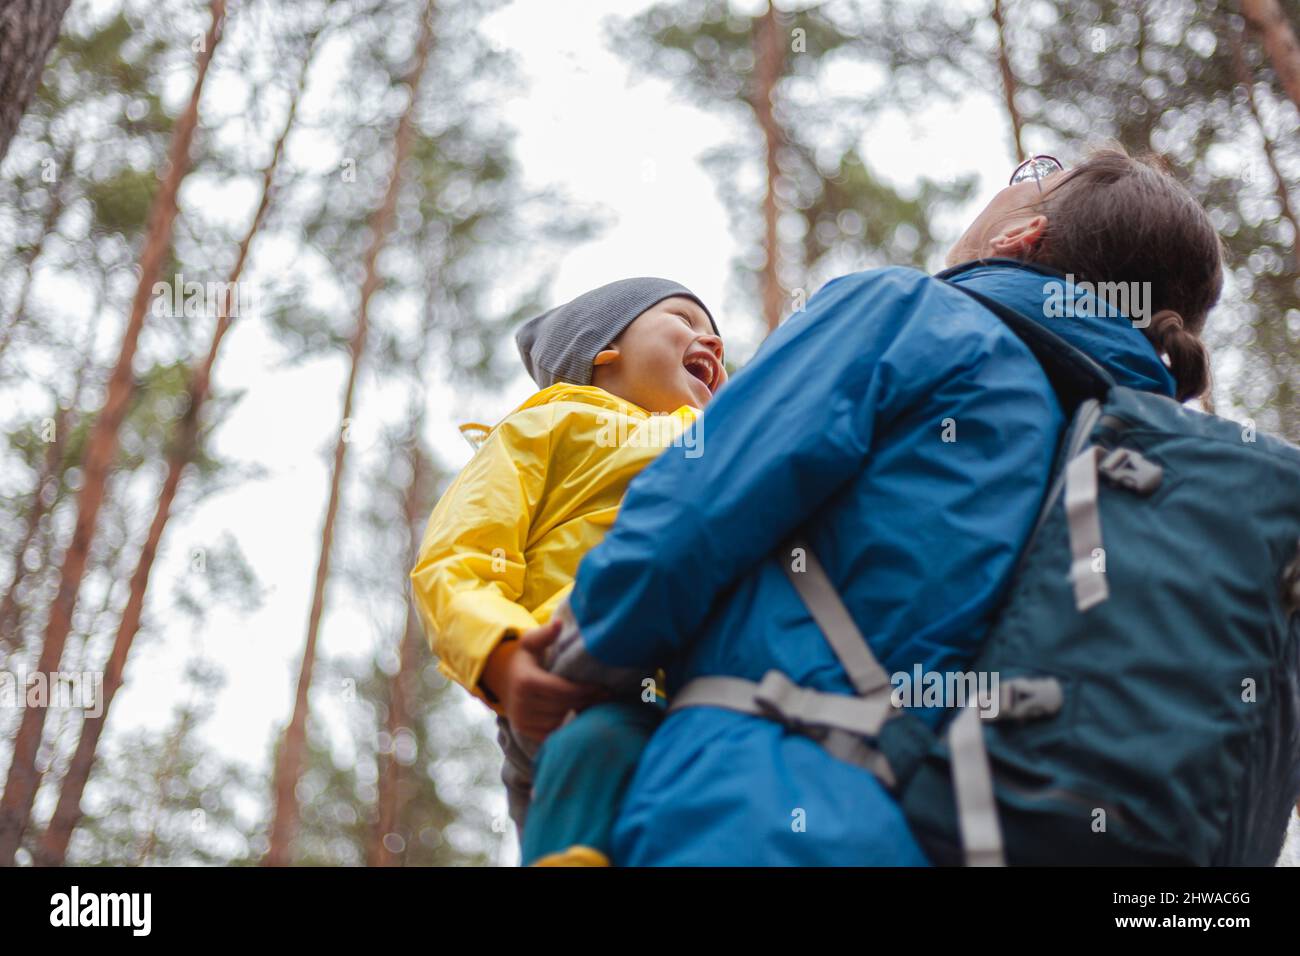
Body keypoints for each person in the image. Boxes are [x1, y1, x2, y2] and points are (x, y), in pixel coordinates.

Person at [546, 146, 1224, 864]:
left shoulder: (908, 313)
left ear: (1018, 238)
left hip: (771, 804)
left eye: (1031, 177)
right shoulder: (1159, 469)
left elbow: (692, 509)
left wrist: (571, 659)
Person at [409, 277, 726, 866]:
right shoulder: (545, 430)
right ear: (603, 353)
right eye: (684, 320)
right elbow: (460, 558)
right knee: (598, 750)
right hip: (580, 675)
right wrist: (502, 655)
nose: (712, 343)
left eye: (718, 338)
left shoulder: (727, 441)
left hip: (714, 685)